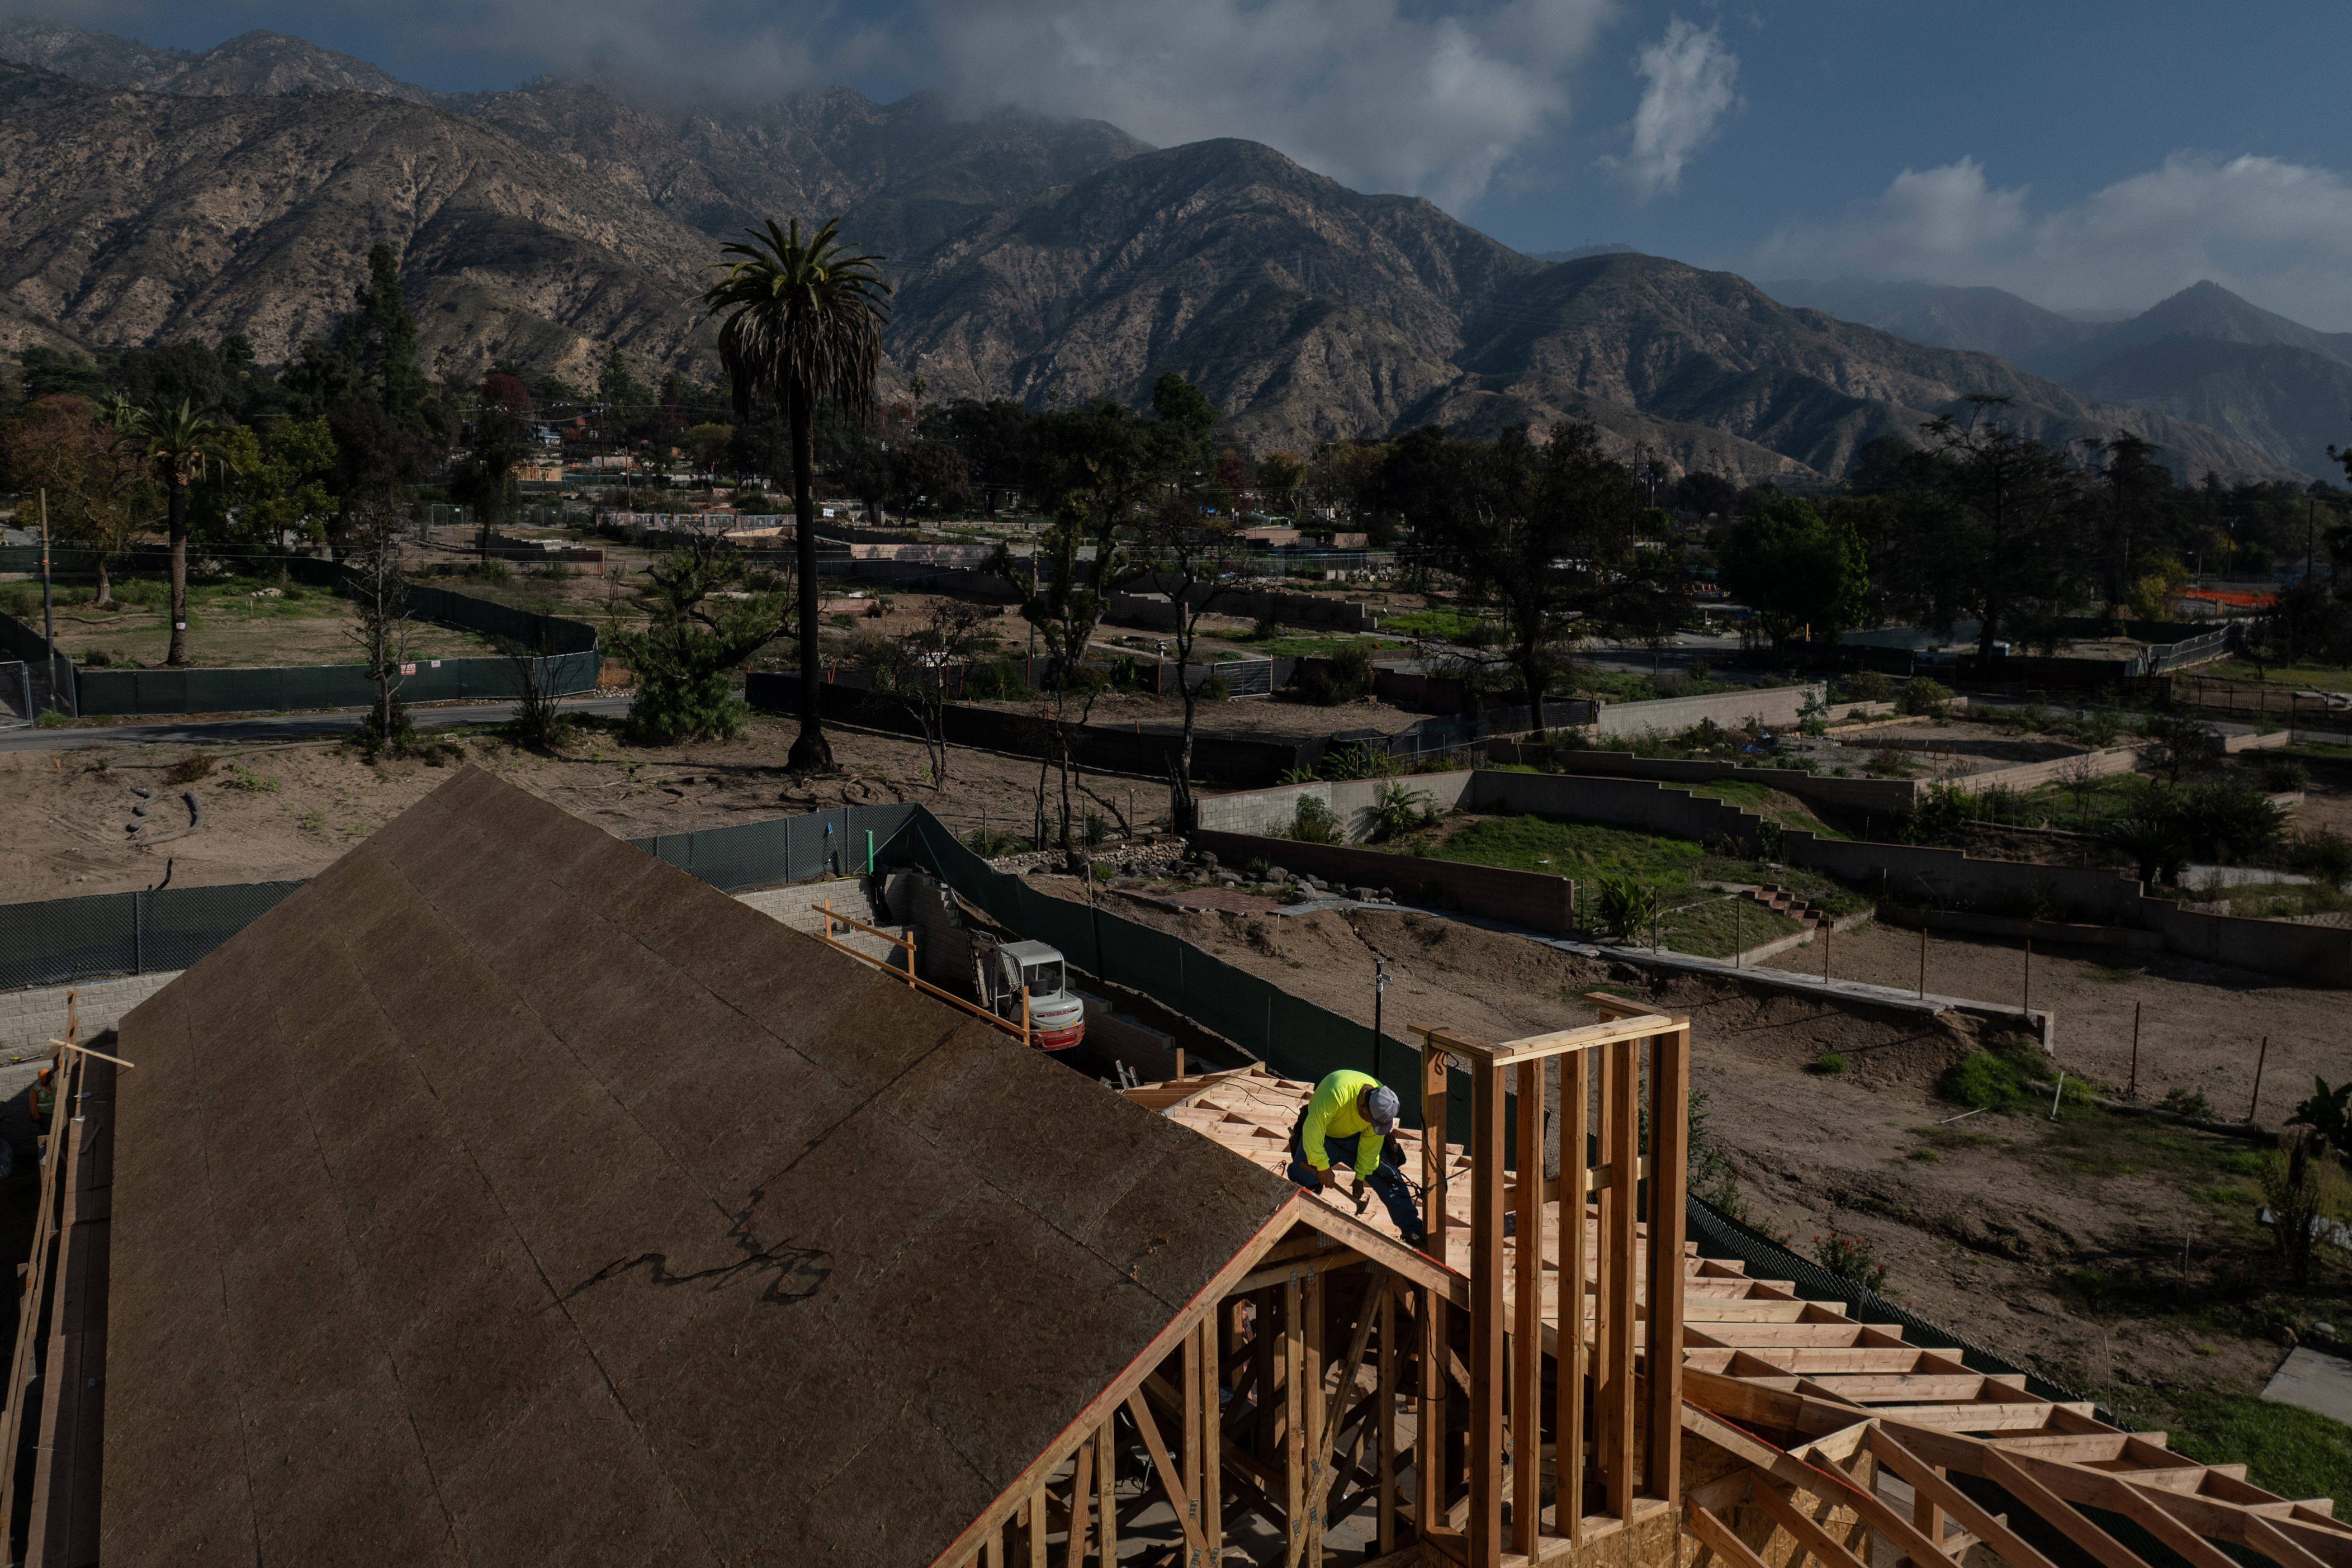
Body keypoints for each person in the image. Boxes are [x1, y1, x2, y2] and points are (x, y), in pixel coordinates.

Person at [1288, 1069, 1424, 1247]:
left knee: (1389, 1177)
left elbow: (1370, 1146)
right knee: (1300, 1175)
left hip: (1355, 1140)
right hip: (1325, 1136)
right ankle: (1310, 1194)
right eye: (1370, 1120)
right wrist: (1322, 1167)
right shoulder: (1336, 1091)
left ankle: (1413, 1230)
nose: (1371, 1124)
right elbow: (1314, 1130)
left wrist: (1360, 1176)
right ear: (1362, 1106)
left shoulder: (1380, 1105)